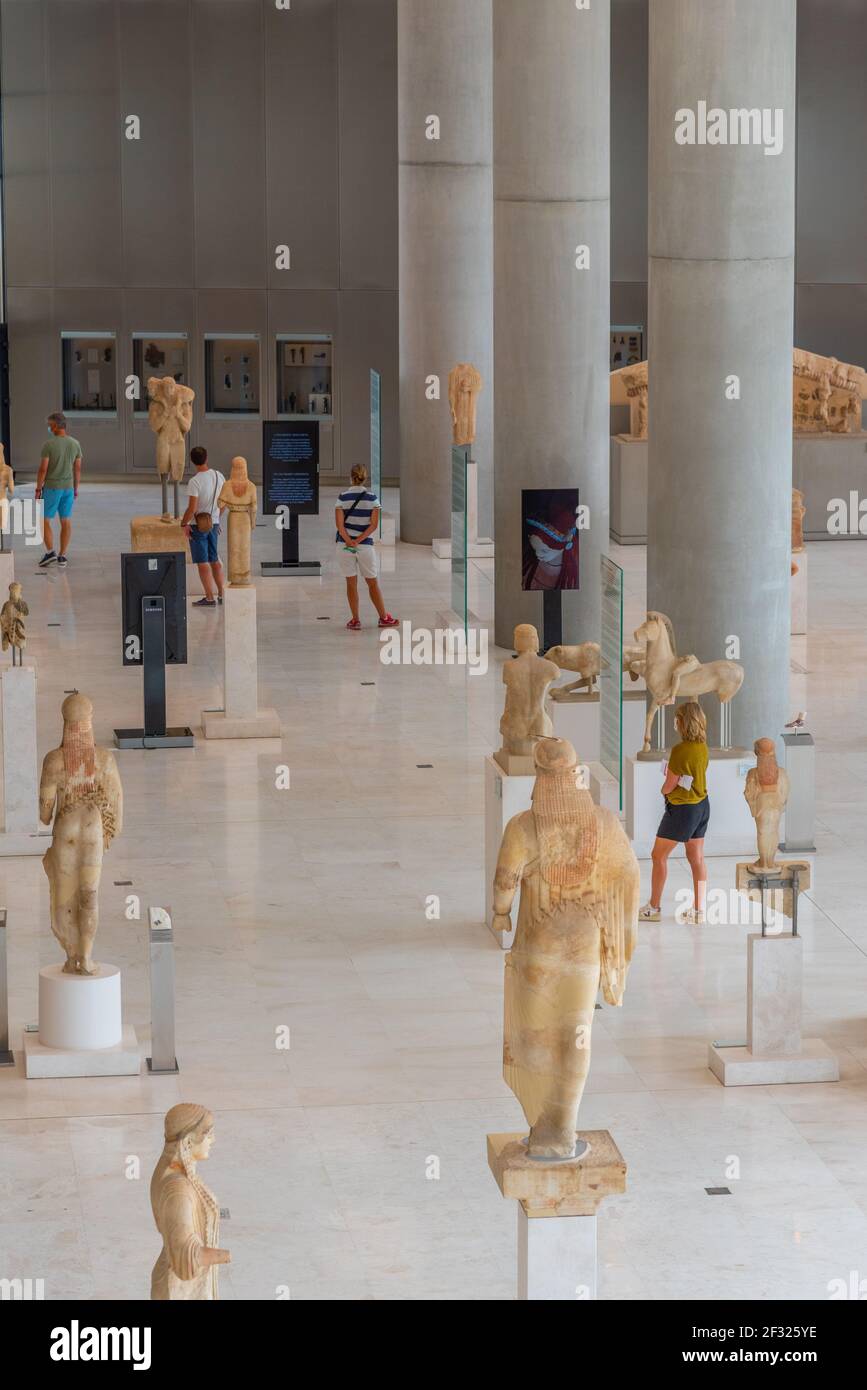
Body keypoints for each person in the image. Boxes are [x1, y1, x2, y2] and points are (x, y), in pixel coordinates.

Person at [639, 700, 709, 925]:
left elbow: (669, 785)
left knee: (658, 856)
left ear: (682, 722)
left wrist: (665, 786)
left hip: (682, 810)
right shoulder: (702, 746)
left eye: (676, 718)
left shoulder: (679, 750)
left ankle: (653, 907)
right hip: (702, 806)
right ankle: (698, 910)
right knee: (696, 858)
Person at [335, 465, 398, 630]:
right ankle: (384, 617)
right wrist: (359, 540)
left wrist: (349, 540)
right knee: (372, 583)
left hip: (344, 545)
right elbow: (374, 525)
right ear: (365, 478)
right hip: (365, 547)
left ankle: (355, 620)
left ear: (351, 477)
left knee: (351, 584)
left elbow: (339, 525)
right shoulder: (372, 498)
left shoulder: (342, 497)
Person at [35, 412, 82, 568]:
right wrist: (75, 489)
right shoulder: (75, 443)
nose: (49, 427)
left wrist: (38, 488)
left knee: (44, 521)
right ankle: (62, 556)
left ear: (55, 425)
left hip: (52, 488)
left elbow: (43, 469)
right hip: (68, 488)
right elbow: (78, 469)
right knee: (65, 521)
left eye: (49, 425)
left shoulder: (49, 445)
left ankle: (50, 553)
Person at [181, 447, 225, 607]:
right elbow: (224, 502)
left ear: (192, 461)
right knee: (214, 559)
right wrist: (216, 519)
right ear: (206, 458)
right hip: (213, 523)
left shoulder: (195, 481)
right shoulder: (219, 475)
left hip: (198, 526)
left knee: (202, 562)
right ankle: (221, 594)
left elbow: (192, 509)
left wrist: (184, 523)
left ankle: (209, 597)